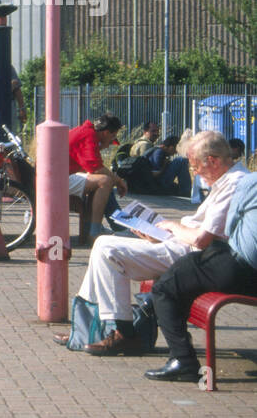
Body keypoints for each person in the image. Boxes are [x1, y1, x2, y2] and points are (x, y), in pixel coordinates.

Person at [54, 132, 244, 355]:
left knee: (107, 248)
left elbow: (202, 238)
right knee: (104, 247)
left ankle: (121, 333)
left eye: (195, 167)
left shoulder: (235, 184)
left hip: (199, 258)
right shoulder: (226, 179)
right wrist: (159, 233)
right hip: (188, 249)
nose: (196, 174)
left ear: (212, 160)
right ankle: (87, 331)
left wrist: (171, 227)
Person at [145, 170, 257, 381]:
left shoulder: (251, 182)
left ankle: (182, 360)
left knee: (164, 288)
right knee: (188, 273)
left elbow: (231, 226)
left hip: (244, 270)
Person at [68, 113, 125, 240]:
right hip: (56, 180)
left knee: (103, 179)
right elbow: (96, 168)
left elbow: (92, 167)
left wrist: (114, 180)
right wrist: (119, 181)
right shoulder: (89, 135)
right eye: (113, 136)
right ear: (106, 133)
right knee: (104, 181)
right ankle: (95, 232)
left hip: (56, 177)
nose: (112, 141)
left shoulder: (87, 132)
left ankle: (117, 225)